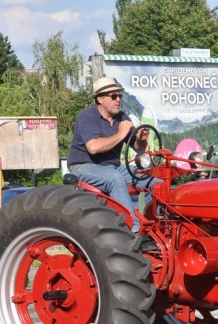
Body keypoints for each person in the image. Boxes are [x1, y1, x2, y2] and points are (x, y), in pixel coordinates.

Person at [67, 77, 158, 246]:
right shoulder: (87, 117)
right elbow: (93, 147)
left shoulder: (121, 117)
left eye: (120, 96)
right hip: (84, 167)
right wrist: (121, 134)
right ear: (100, 99)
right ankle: (133, 232)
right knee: (114, 179)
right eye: (113, 96)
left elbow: (138, 148)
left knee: (152, 179)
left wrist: (141, 139)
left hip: (113, 167)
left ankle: (163, 225)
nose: (119, 100)